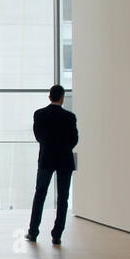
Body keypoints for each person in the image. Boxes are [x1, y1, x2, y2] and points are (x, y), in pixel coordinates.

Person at [26, 85, 78, 246]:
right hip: (65, 160)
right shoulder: (70, 117)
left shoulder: (39, 114)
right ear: (62, 97)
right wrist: (63, 148)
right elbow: (74, 139)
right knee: (63, 198)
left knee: (40, 195)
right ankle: (57, 235)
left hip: (46, 159)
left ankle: (33, 232)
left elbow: (39, 136)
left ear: (50, 97)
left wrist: (50, 146)